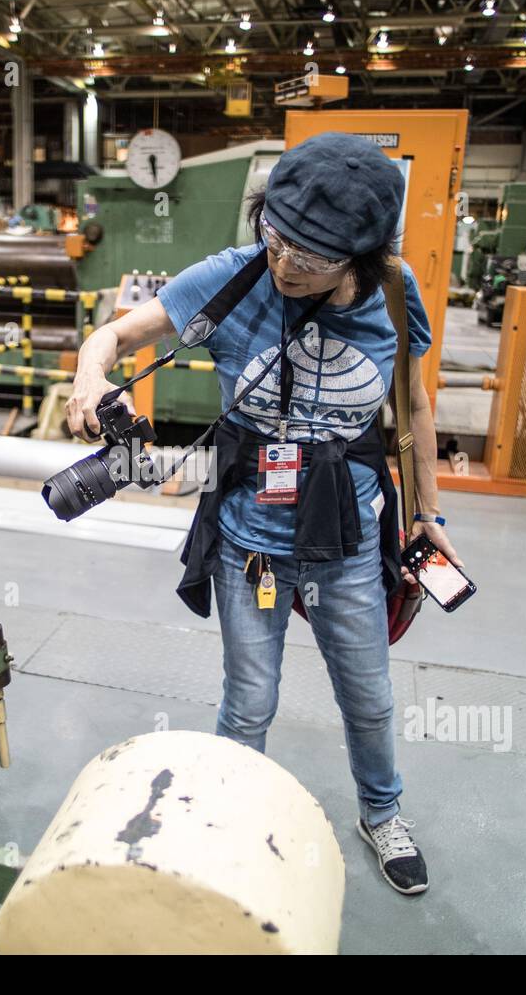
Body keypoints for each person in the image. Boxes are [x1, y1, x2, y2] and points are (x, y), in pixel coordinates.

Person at [66, 132, 460, 896]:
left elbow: (413, 403)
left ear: (360, 259)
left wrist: (429, 513)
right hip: (250, 540)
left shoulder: (393, 291)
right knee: (248, 702)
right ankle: (227, 817)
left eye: (307, 259)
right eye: (275, 240)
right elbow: (112, 334)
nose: (283, 265)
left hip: (347, 537)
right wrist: (90, 376)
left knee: (369, 697)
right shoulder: (234, 276)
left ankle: (381, 812)